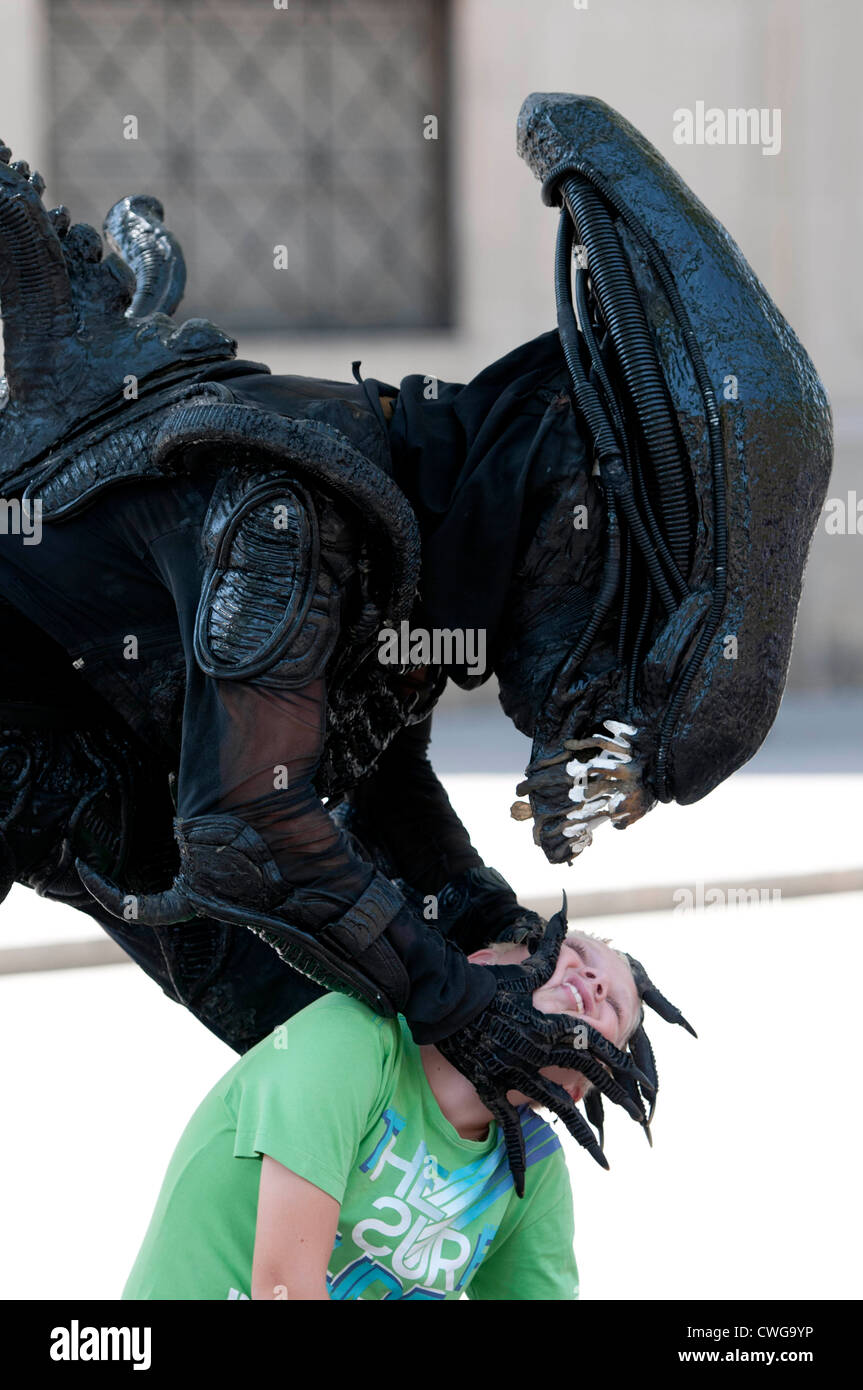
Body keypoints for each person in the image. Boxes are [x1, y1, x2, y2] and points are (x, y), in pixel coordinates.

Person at [0, 93, 830, 1188]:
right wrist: (460, 1003)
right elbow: (248, 822)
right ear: (570, 504)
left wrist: (492, 926)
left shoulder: (406, 535)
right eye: (621, 593)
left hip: (82, 768)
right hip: (53, 757)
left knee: (365, 1098)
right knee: (353, 1062)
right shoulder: (294, 516)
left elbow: (375, 770)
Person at [122, 923, 641, 1301]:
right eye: (572, 953)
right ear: (482, 963)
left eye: (614, 1007)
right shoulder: (352, 1037)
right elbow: (284, 1288)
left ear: (578, 1089)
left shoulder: (534, 1169)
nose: (593, 983)